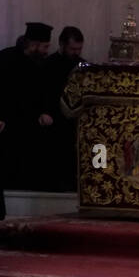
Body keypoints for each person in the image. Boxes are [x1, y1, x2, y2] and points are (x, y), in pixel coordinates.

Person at [0, 20, 53, 192]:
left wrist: (43, 113)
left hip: (31, 129)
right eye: (45, 47)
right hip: (6, 128)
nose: (47, 51)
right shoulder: (4, 60)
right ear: (34, 45)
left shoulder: (40, 64)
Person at [43, 25, 87, 190]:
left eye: (79, 49)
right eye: (72, 48)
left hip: (74, 121)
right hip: (53, 119)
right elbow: (44, 92)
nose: (76, 52)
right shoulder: (48, 65)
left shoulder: (83, 66)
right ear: (62, 45)